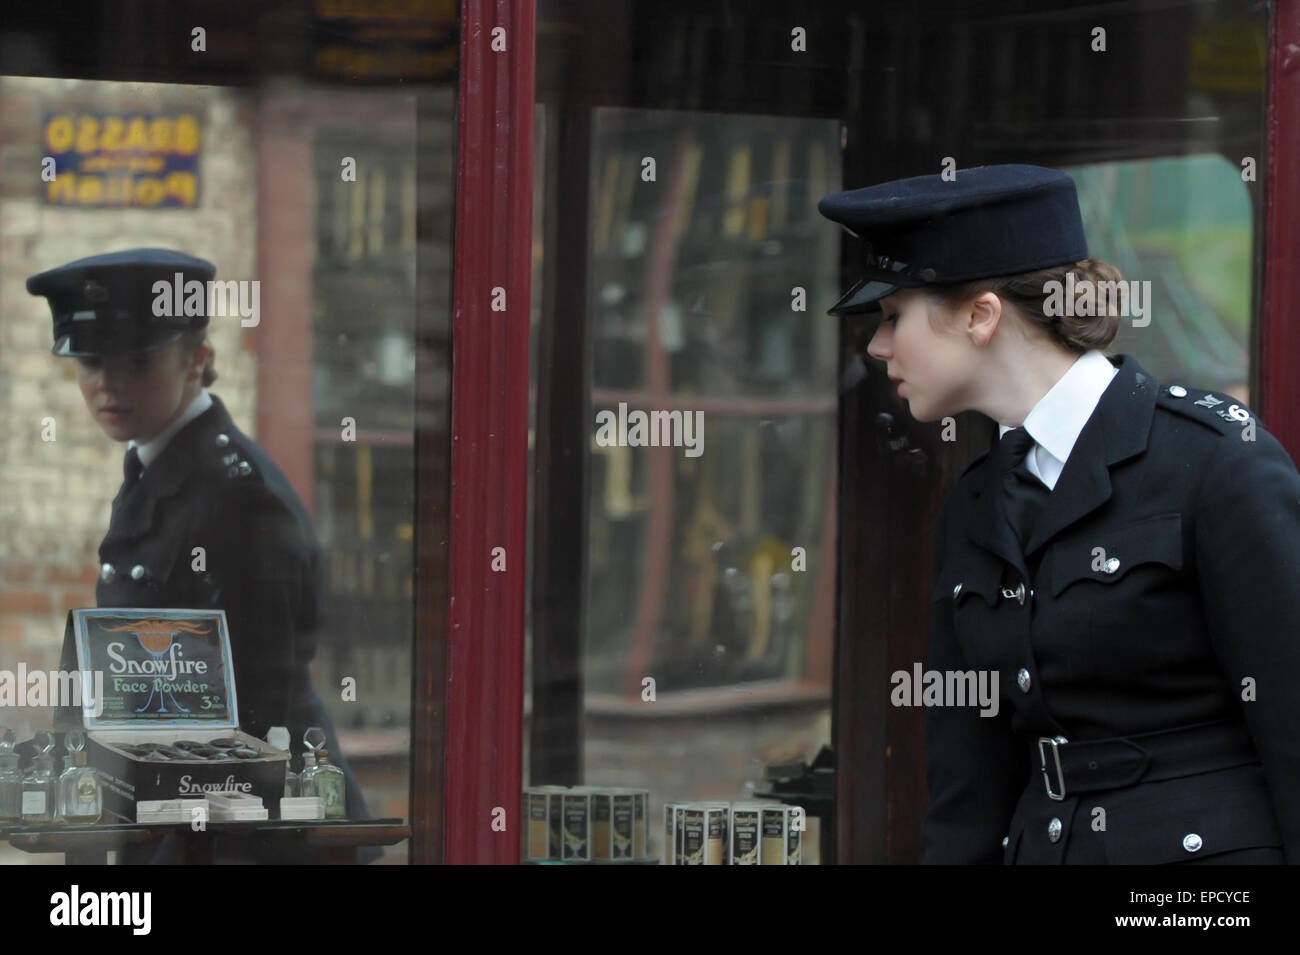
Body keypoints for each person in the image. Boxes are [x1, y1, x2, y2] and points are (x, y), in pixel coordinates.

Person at [819, 165, 1300, 864]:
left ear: (981, 315)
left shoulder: (1215, 463)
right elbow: (968, 781)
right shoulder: (976, 504)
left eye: (894, 317)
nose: (877, 347)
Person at [27, 248, 372, 862]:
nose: (109, 383)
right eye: (90, 360)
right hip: (180, 817)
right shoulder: (160, 467)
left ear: (199, 361)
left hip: (249, 837)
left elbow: (249, 728)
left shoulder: (235, 499)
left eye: (137, 362)